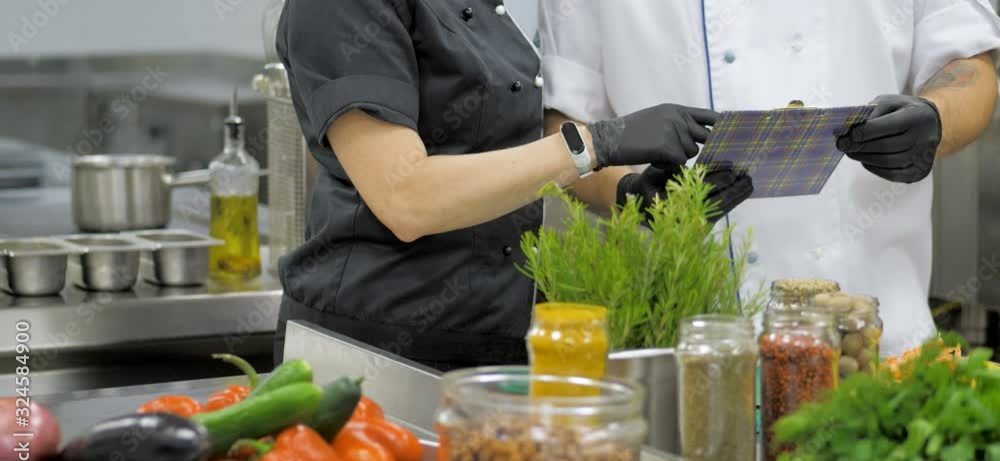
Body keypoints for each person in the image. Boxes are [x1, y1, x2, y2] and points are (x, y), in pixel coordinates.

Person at [271, 0, 754, 370]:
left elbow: (513, 139)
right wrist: (597, 141)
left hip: (492, 338)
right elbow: (406, 198)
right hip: (371, 351)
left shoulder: (485, 9)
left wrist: (626, 191)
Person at [539, 0, 1000, 356]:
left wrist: (934, 121)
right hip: (685, 340)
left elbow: (969, 71)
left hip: (873, 337)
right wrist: (627, 195)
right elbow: (565, 124)